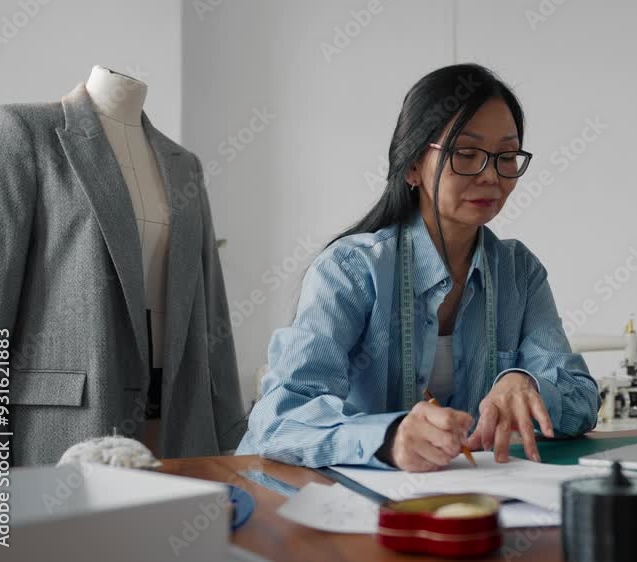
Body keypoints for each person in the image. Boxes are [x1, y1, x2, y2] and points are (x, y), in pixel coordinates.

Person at [236, 63, 599, 472]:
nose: (491, 175)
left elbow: (582, 400)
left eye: (506, 156)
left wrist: (527, 384)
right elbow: (280, 419)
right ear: (412, 166)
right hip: (322, 496)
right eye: (466, 153)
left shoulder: (519, 272)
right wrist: (387, 439)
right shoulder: (352, 269)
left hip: (459, 495)